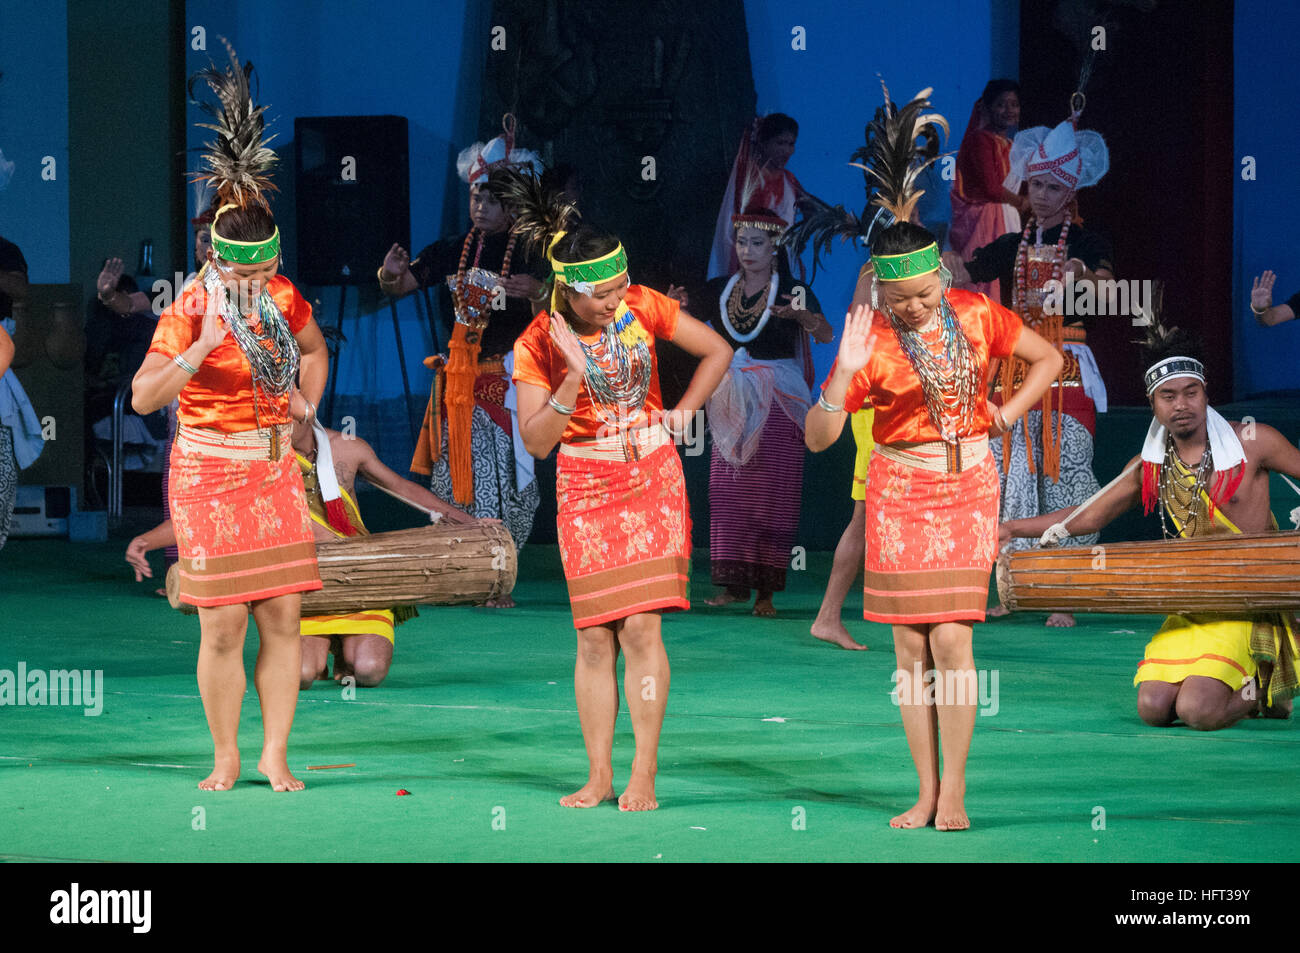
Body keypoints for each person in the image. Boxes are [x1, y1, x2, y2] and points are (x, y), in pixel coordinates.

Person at [805, 87, 1062, 830]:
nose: (914, 307)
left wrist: (1004, 415)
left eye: (923, 293)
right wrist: (844, 375)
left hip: (967, 485)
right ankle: (922, 789)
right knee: (907, 646)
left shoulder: (978, 314)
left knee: (952, 636)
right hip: (898, 492)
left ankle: (956, 791)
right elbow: (820, 439)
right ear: (881, 291)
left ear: (940, 278)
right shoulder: (873, 342)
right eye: (901, 298)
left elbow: (1043, 358)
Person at [500, 167, 731, 811]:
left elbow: (716, 351)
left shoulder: (643, 306)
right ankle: (599, 773)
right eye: (600, 294)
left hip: (651, 475)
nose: (613, 301)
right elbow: (539, 441)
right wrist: (571, 383)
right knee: (594, 636)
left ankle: (644, 771)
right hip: (585, 483)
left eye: (619, 287)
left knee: (641, 630)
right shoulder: (536, 344)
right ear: (566, 292)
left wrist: (683, 411)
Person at [131, 43, 327, 792]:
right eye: (239, 270)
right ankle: (226, 753)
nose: (251, 282)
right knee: (223, 623)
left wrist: (308, 400)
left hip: (274, 468)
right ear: (215, 259)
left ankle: (275, 751)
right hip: (209, 471)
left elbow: (312, 350)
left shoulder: (283, 297)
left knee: (282, 617)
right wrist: (201, 348)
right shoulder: (188, 308)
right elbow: (147, 397)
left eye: (261, 269)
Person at [1000, 325, 1299, 729]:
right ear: (1153, 403)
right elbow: (1086, 514)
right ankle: (1232, 683)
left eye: (1191, 392)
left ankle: (1261, 688)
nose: (1182, 405)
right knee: (1153, 707)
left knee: (1199, 710)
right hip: (1192, 603)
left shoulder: (1254, 441)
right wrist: (1012, 528)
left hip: (1245, 605)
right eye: (1168, 396)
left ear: (1206, 393)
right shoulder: (1149, 466)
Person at [126, 418, 480, 689]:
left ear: (305, 410)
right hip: (305, 584)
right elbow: (215, 509)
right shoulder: (261, 461)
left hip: (360, 580)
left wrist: (467, 522)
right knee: (299, 675)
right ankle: (325, 649)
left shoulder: (348, 447)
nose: (273, 423)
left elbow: (402, 488)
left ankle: (346, 649)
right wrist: (147, 540)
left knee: (368, 672)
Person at [943, 108, 1112, 627]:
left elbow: (1109, 288)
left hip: (1068, 369)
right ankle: (1013, 589)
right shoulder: (1013, 244)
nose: (1039, 195)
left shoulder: (1086, 243)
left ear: (1070, 193)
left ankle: (1065, 591)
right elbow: (966, 271)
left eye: (1051, 187)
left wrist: (1081, 273)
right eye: (1034, 185)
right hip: (1015, 372)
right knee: (1012, 475)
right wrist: (936, 260)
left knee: (1065, 476)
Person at [381, 116, 547, 603]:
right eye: (476, 196)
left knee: (505, 480)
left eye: (491, 199)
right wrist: (390, 274)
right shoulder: (453, 249)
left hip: (511, 383)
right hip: (457, 386)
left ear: (514, 203)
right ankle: (459, 571)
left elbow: (566, 307)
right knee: (457, 479)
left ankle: (498, 576)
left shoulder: (535, 252)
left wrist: (539, 291)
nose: (480, 205)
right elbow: (403, 284)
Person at [680, 207, 832, 616]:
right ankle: (733, 586)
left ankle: (765, 592)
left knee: (770, 493)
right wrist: (679, 308)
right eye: (742, 242)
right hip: (732, 397)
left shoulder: (793, 290)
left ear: (774, 246)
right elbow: (686, 323)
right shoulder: (719, 289)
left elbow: (825, 334)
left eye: (757, 243)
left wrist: (803, 317)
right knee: (727, 492)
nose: (747, 251)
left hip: (780, 399)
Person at [947, 80, 1029, 302]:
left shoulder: (1011, 145)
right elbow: (992, 189)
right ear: (988, 108)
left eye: (1014, 104)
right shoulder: (979, 141)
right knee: (986, 286)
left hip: (1008, 218)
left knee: (1008, 284)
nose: (1009, 110)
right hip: (987, 222)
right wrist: (1021, 202)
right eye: (1001, 104)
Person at [708, 113, 808, 279]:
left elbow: (812, 209)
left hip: (783, 264)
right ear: (763, 143)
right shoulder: (749, 178)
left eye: (791, 144)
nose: (786, 151)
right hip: (751, 264)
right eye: (780, 143)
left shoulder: (789, 180)